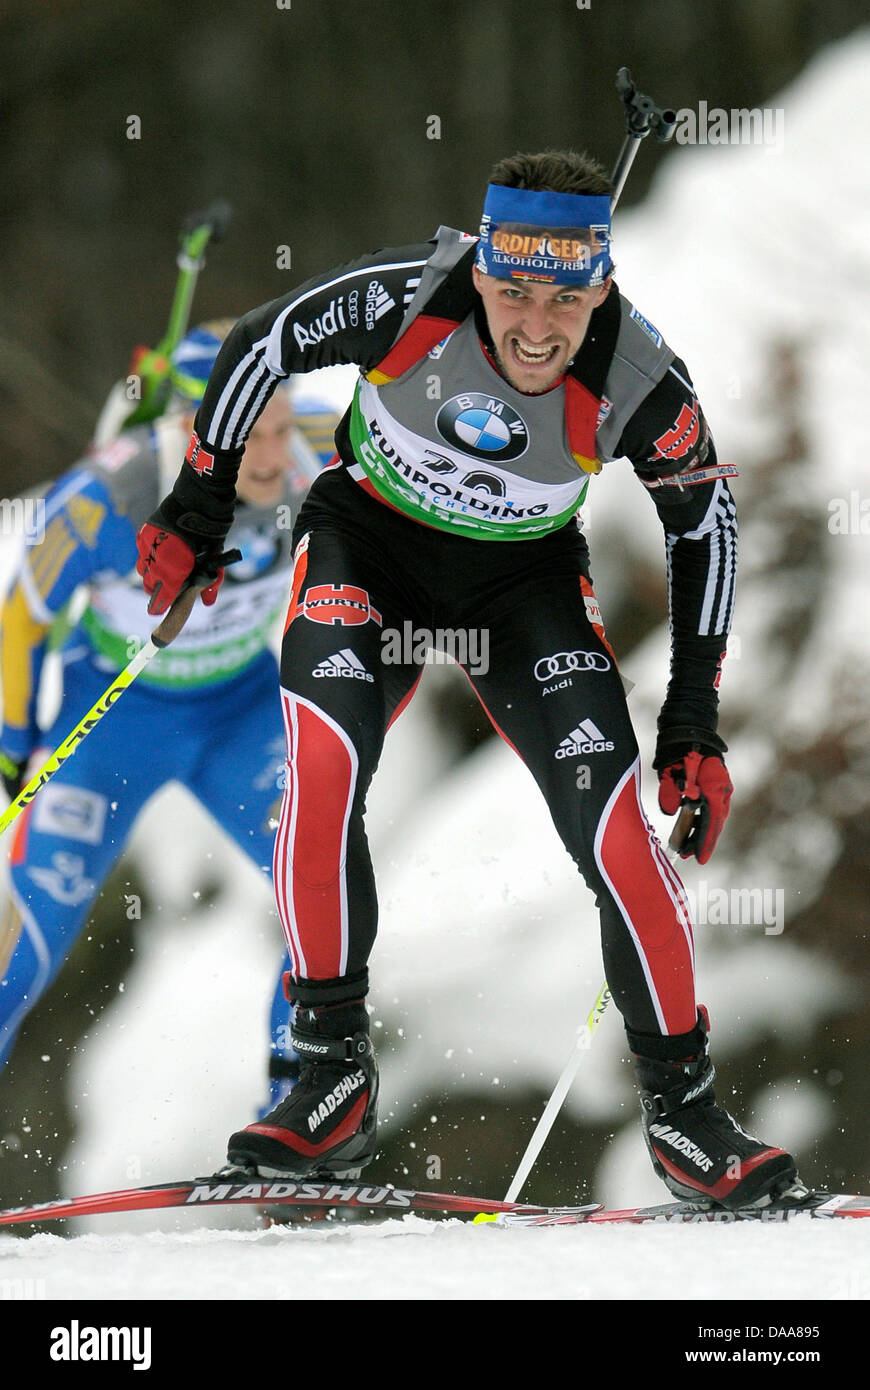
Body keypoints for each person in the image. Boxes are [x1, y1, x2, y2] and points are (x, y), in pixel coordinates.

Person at [136, 153, 799, 1209]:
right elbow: (266, 341)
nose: (540, 328)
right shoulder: (408, 297)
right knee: (319, 766)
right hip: (369, 554)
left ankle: (685, 1114)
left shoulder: (636, 370)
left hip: (521, 589)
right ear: (481, 272)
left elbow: (705, 522)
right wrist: (198, 508)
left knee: (619, 831)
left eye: (568, 300)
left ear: (602, 289)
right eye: (516, 293)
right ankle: (330, 1079)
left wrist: (693, 721)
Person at [0, 321, 336, 1114]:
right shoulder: (105, 496)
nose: (272, 455)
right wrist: (12, 745)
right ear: (193, 429)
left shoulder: (319, 443)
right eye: (250, 436)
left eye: (282, 427)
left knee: (323, 891)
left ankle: (297, 1118)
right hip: (113, 723)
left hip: (241, 714)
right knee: (31, 937)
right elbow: (21, 621)